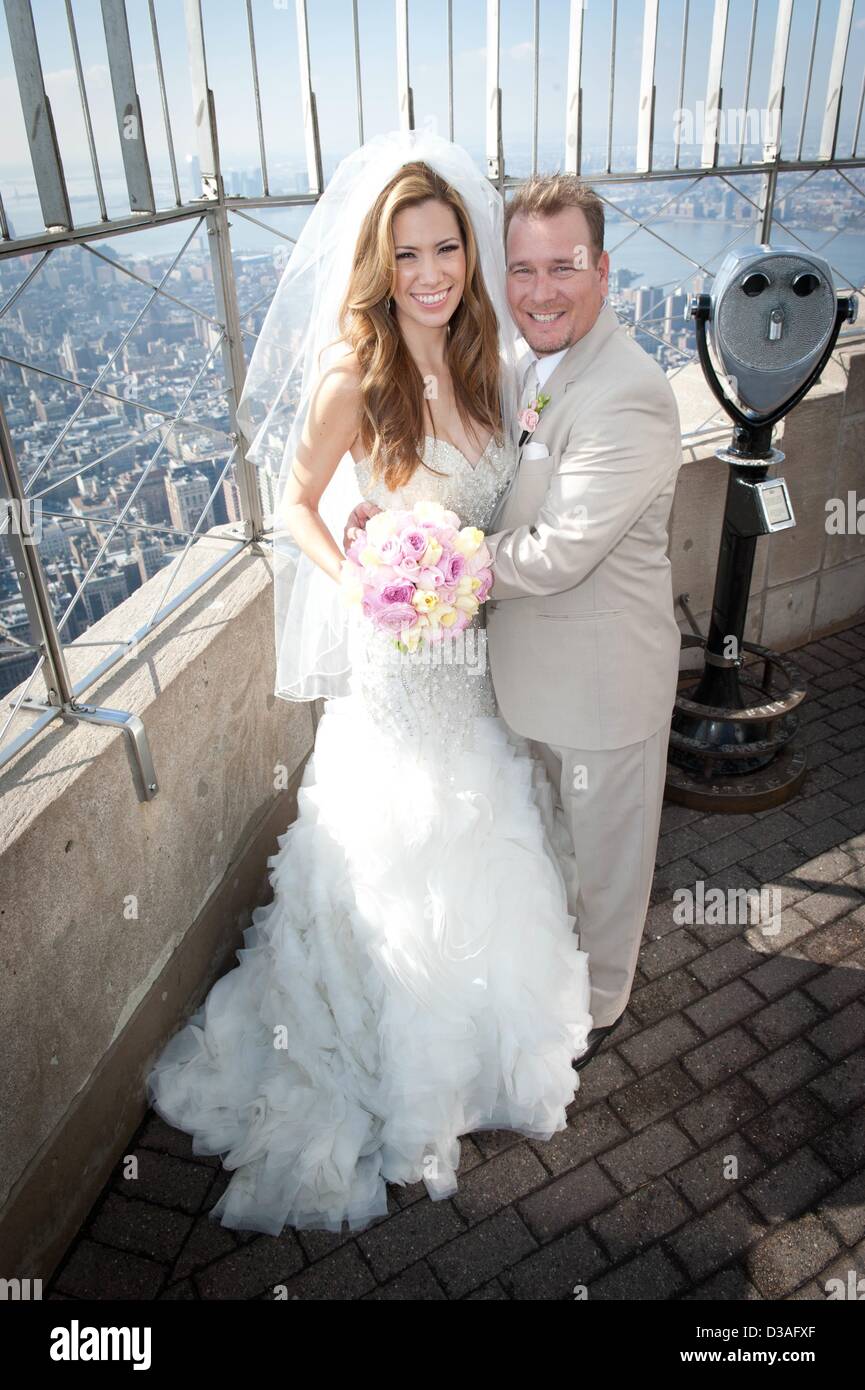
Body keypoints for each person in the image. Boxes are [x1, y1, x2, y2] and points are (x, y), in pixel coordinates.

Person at [145, 131, 592, 1239]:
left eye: (446, 248)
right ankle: (390, 1057)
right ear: (378, 267)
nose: (432, 272)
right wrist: (366, 578)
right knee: (400, 850)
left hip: (473, 668)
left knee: (480, 835)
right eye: (408, 256)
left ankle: (475, 1047)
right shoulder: (357, 371)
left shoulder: (488, 359)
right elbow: (294, 502)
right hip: (398, 665)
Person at [348, 174, 684, 1073]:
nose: (539, 290)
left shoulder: (629, 393)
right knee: (548, 860)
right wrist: (389, 526)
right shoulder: (526, 365)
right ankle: (544, 992)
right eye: (522, 269)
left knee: (605, 873)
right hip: (517, 683)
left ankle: (598, 1013)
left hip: (602, 686)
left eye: (562, 268)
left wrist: (429, 567)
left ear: (603, 270)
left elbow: (561, 549)